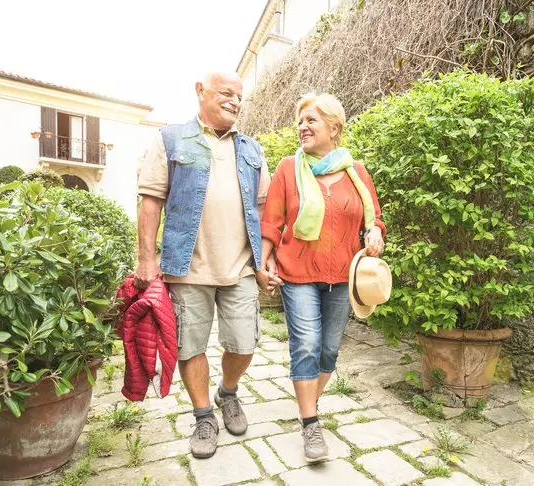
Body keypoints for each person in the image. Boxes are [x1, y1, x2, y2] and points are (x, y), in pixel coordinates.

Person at [135, 71, 282, 459]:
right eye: (225, 93)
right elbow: (150, 200)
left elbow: (266, 208)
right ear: (200, 92)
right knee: (190, 347)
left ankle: (228, 392)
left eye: (239, 95)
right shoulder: (170, 140)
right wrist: (146, 261)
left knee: (245, 343)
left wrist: (266, 260)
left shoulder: (253, 149)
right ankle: (203, 415)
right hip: (187, 268)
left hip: (242, 268)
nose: (235, 100)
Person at [260, 93, 386, 462]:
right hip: (297, 273)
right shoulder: (288, 168)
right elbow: (272, 221)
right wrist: (265, 262)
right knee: (307, 345)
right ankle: (311, 423)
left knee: (329, 349)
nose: (302, 127)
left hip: (343, 276)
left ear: (333, 127)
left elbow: (373, 217)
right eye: (300, 121)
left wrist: (375, 231)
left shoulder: (355, 171)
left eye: (311, 120)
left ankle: (306, 400)